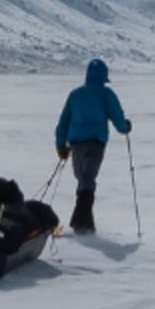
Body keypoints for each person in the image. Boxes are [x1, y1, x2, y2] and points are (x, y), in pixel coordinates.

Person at [52, 58, 131, 232]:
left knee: (84, 177)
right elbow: (117, 118)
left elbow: (63, 121)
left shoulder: (75, 94)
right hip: (96, 142)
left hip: (76, 143)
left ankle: (85, 223)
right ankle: (81, 222)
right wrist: (125, 127)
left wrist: (61, 145)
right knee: (87, 178)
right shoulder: (106, 94)